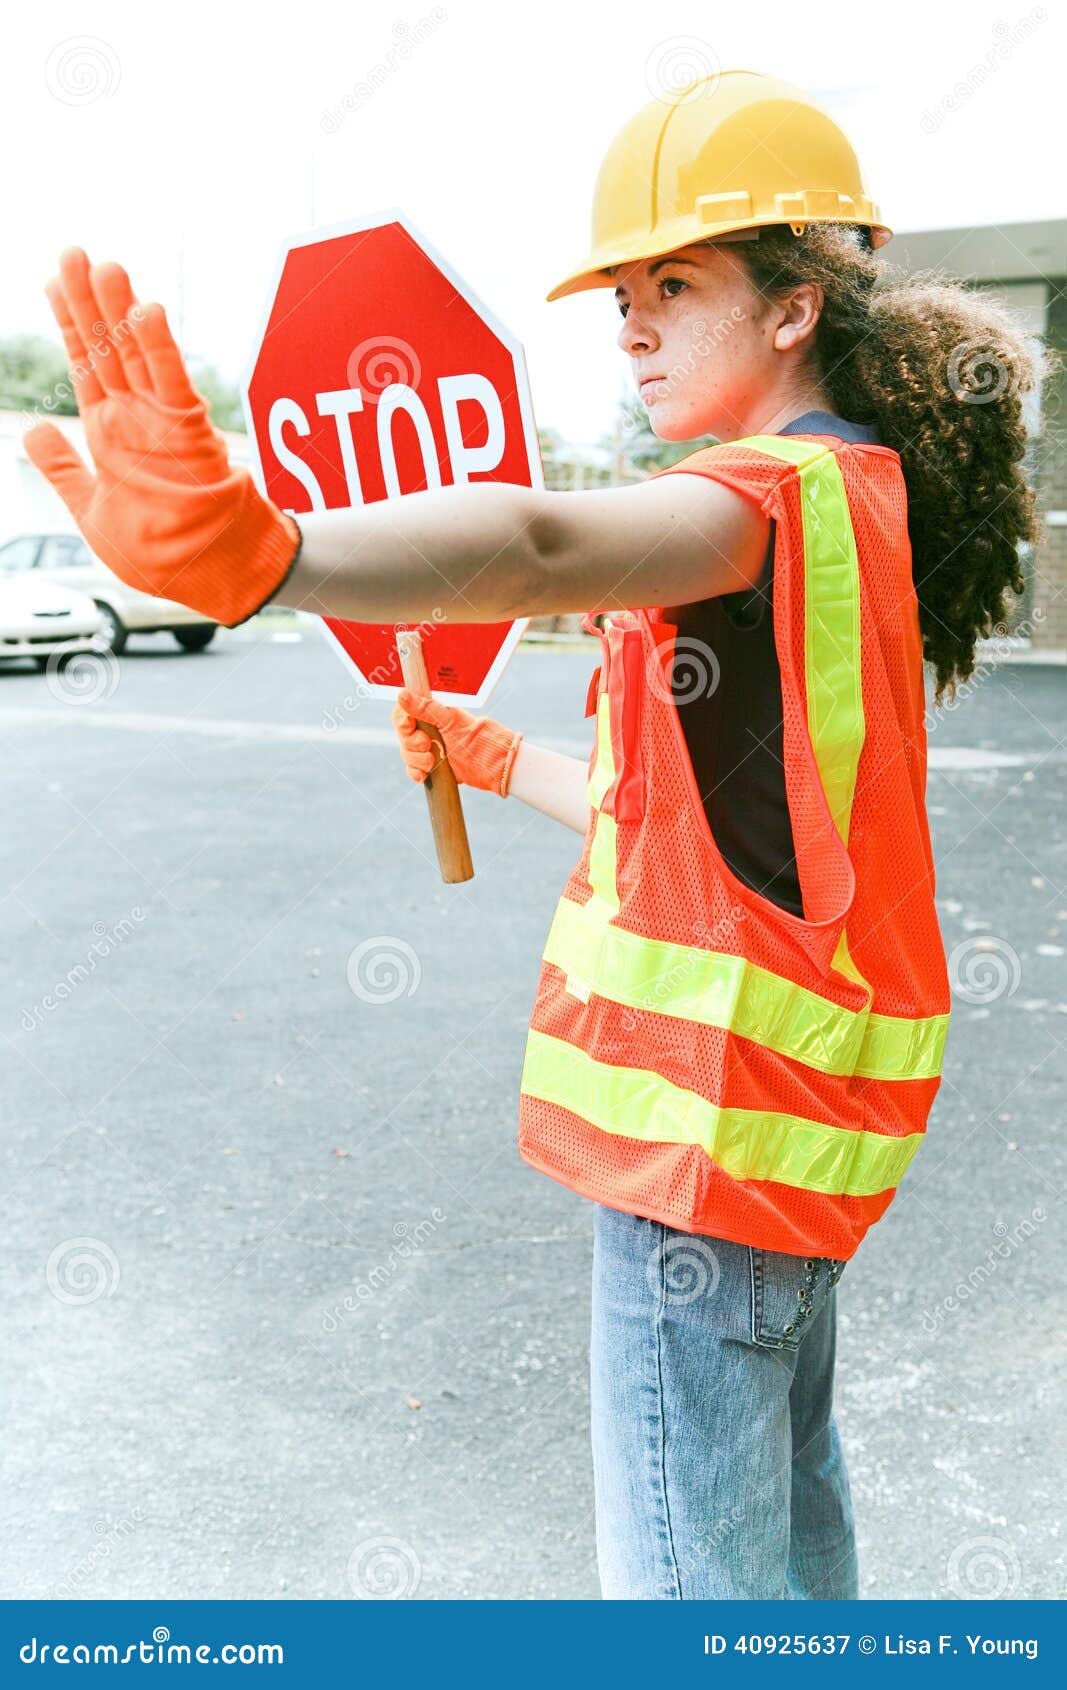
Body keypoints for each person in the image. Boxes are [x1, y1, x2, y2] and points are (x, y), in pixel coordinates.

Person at [24, 69, 1042, 1602]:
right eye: (620, 295)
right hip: (790, 1165)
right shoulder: (857, 504)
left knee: (691, 1602)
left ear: (794, 306)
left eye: (676, 284)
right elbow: (703, 832)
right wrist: (501, 758)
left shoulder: (755, 496)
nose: (631, 324)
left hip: (695, 1164)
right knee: (800, 1564)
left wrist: (273, 555)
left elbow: (542, 536)